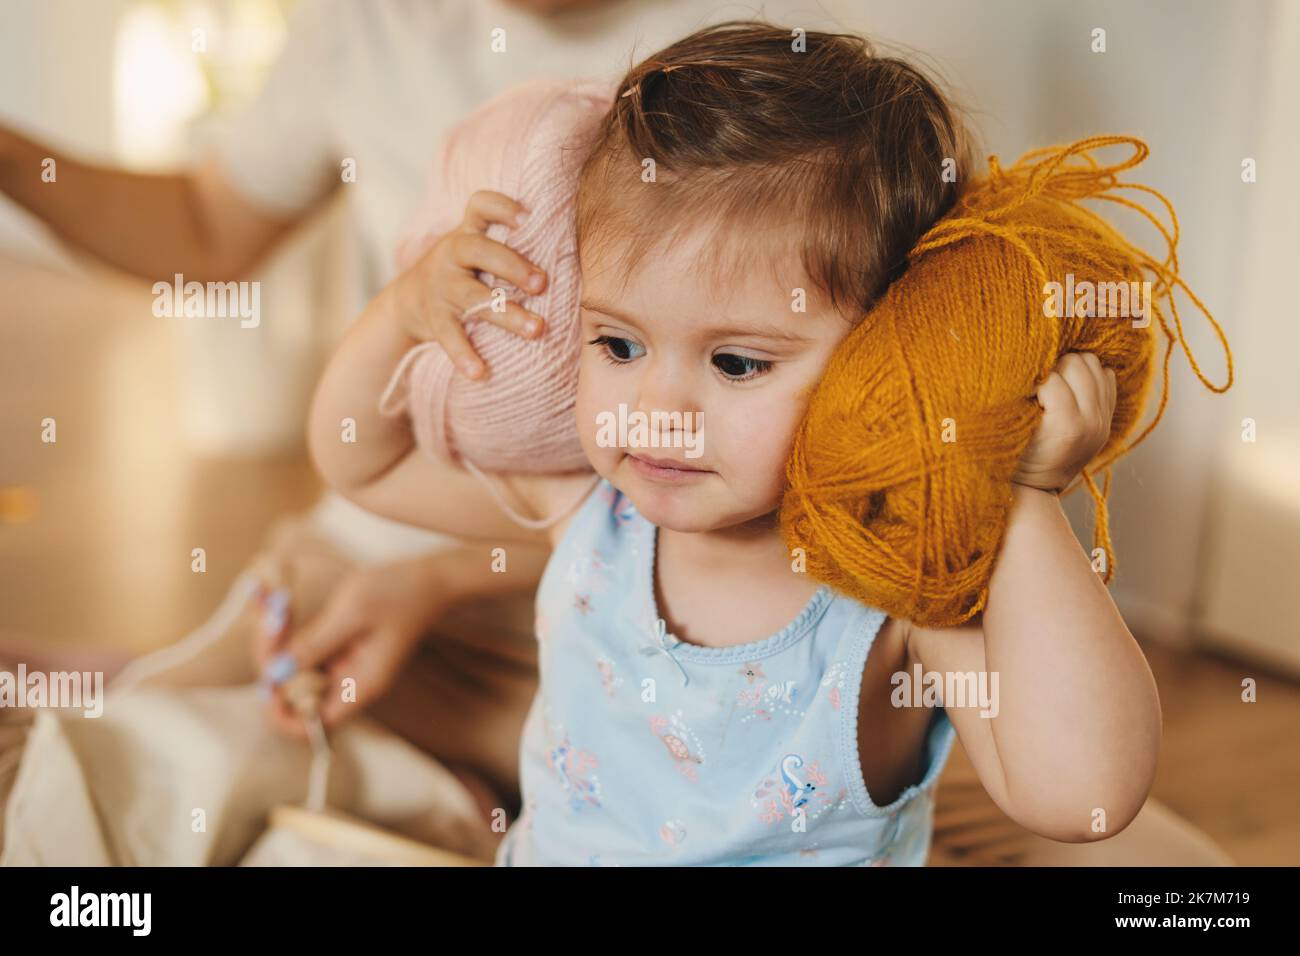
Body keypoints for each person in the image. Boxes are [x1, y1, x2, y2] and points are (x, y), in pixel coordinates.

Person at [308, 21, 1162, 865]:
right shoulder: (590, 515)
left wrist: (1024, 497)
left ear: (885, 359)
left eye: (737, 363)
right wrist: (403, 312)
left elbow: (1082, 793)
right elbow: (360, 459)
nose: (656, 406)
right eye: (617, 344)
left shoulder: (897, 600)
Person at [0, 0, 791, 812]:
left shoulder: (765, 61)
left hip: (635, 599)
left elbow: (650, 525)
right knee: (142, 752)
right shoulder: (364, 28)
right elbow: (210, 233)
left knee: (639, 773)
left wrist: (442, 580)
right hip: (371, 569)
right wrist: (15, 161)